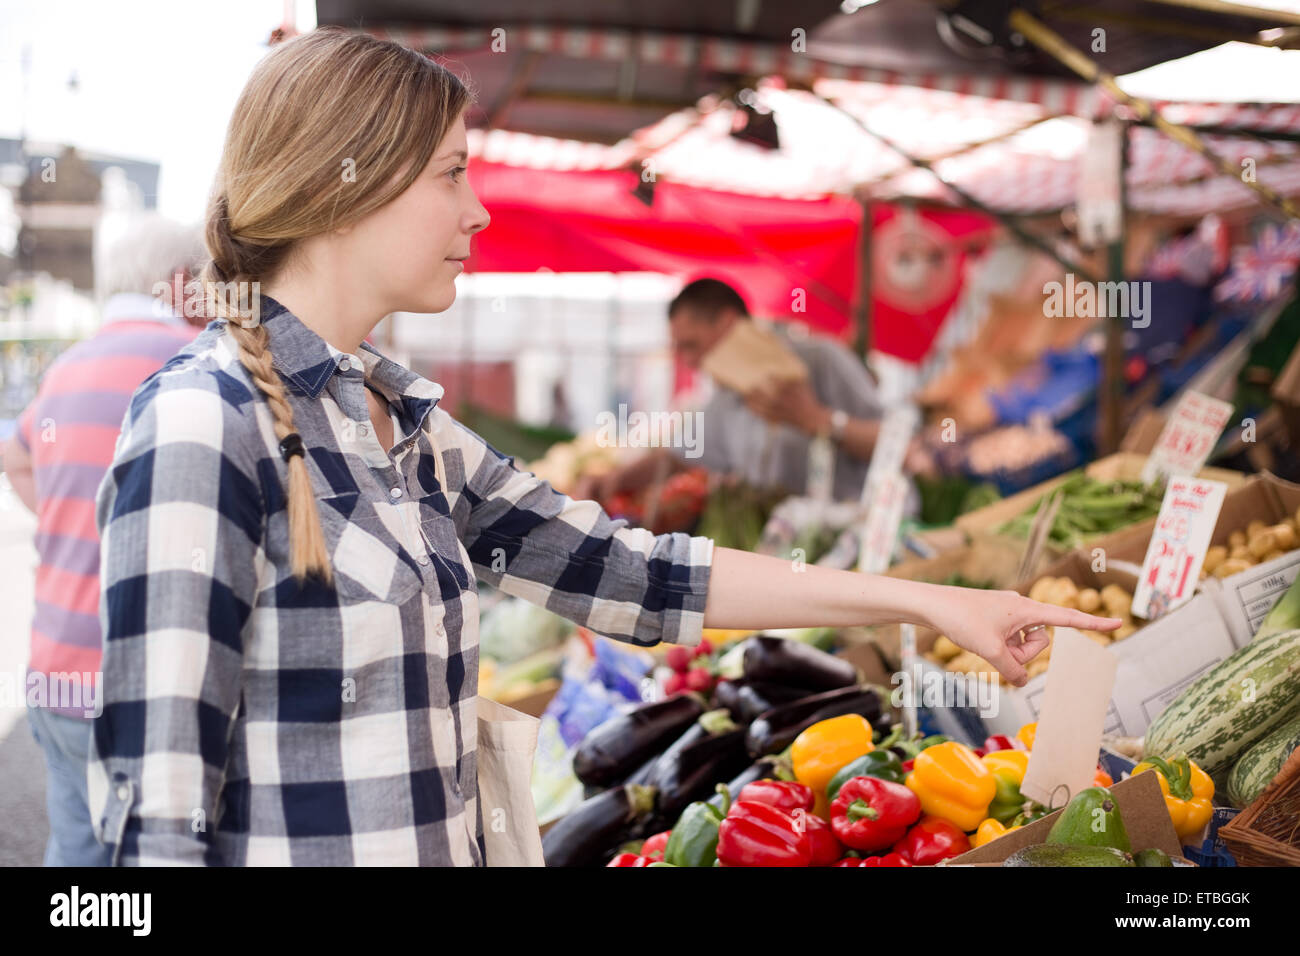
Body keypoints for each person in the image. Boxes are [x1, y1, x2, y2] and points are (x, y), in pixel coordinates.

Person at [85, 27, 1118, 867]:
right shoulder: (204, 423)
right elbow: (151, 814)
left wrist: (927, 600)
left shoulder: (402, 423)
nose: (479, 208)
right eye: (452, 174)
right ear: (348, 185)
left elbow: (639, 573)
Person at [1, 214, 206, 866]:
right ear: (178, 283)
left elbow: (16, 455)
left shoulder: (67, 366)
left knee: (77, 851)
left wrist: (69, 513)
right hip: (141, 680)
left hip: (56, 672)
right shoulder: (189, 363)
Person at [577, 278, 929, 505]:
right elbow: (679, 457)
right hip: (786, 549)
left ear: (728, 323)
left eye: (693, 345)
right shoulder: (726, 395)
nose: (690, 361)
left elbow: (903, 445)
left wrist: (819, 420)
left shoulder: (818, 359)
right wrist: (615, 480)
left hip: (856, 547)